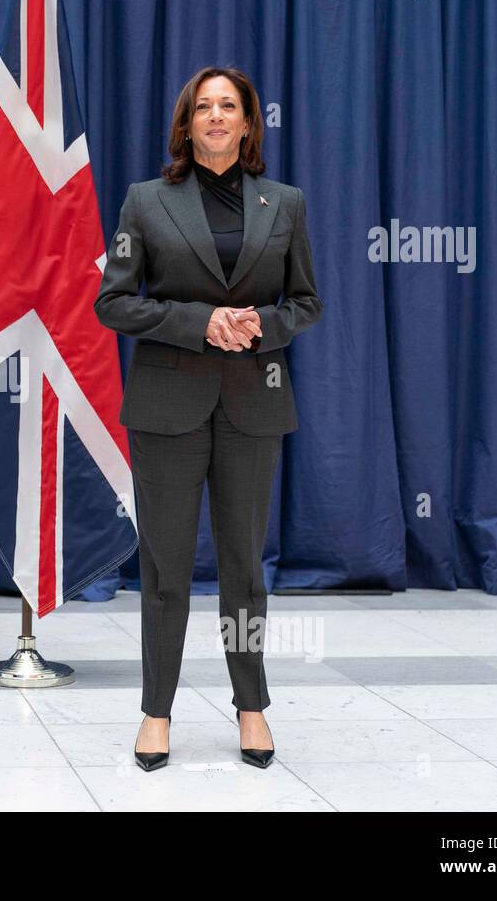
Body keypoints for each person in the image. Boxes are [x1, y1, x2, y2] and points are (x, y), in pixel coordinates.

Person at [94, 67, 322, 771]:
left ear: (249, 123)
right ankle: (155, 711)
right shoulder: (145, 202)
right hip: (167, 406)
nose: (216, 117)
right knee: (164, 568)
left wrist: (257, 324)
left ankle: (251, 705)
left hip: (254, 404)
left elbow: (305, 304)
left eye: (229, 106)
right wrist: (201, 322)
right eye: (204, 107)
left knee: (243, 569)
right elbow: (114, 303)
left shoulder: (284, 204)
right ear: (186, 124)